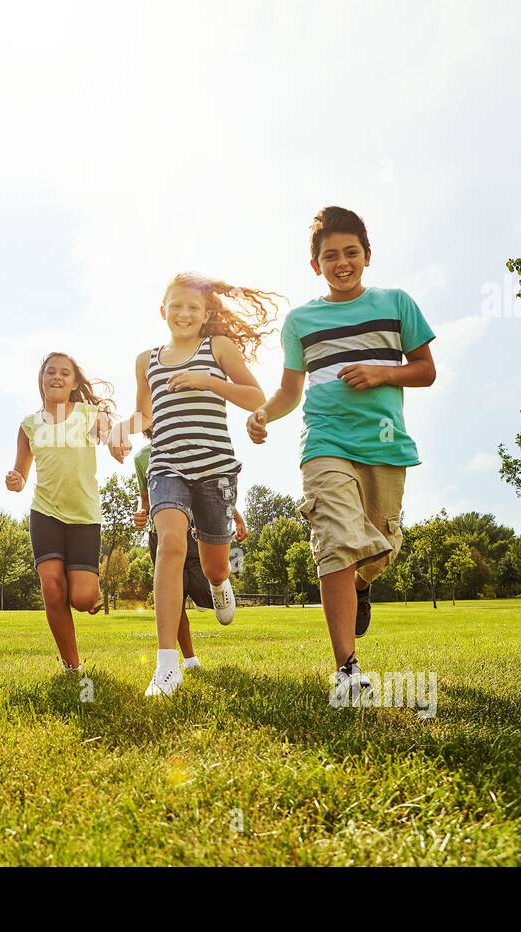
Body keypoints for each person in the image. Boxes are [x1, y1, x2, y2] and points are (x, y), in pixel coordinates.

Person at [248, 206, 436, 696]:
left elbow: (425, 370)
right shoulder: (301, 321)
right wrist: (265, 413)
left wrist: (383, 372)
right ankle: (348, 672)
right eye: (330, 255)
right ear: (316, 265)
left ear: (367, 256)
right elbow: (290, 391)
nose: (341, 262)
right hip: (325, 443)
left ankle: (362, 584)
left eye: (350, 252)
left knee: (379, 548)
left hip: (384, 447)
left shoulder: (396, 303)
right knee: (335, 542)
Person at [110, 272, 280, 696]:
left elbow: (256, 397)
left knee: (213, 565)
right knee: (169, 543)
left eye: (193, 307)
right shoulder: (145, 360)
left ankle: (220, 583)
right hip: (167, 465)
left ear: (206, 313)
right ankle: (167, 665)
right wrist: (120, 429)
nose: (184, 313)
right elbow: (145, 416)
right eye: (177, 305)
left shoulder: (217, 347)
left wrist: (207, 381)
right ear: (162, 310)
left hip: (215, 469)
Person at [6, 352, 113, 671]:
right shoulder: (29, 425)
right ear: (41, 380)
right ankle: (72, 667)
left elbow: (110, 431)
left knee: (81, 599)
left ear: (75, 382)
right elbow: (21, 474)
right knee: (52, 588)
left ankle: (87, 587)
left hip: (84, 515)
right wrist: (15, 480)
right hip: (45, 512)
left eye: (64, 373)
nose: (56, 377)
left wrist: (117, 442)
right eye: (50, 371)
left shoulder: (87, 413)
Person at [132, 434, 247, 672]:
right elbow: (144, 498)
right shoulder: (142, 457)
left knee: (203, 586)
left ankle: (218, 579)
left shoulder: (188, 441)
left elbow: (209, 494)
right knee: (174, 597)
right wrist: (141, 511)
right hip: (160, 535)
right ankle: (189, 659)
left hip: (194, 532)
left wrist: (238, 519)